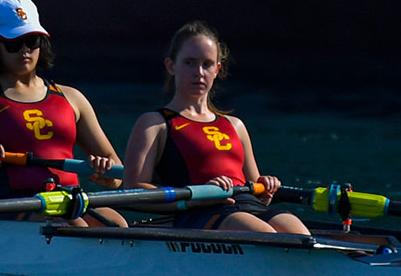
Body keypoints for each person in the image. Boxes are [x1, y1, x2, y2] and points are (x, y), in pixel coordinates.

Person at [0, 0, 127, 226]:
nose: (24, 50)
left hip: (70, 201)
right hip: (14, 207)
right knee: (74, 226)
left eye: (32, 41)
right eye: (13, 43)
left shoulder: (72, 98)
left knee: (117, 224)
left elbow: (115, 176)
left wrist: (104, 173)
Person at [119, 20, 310, 234]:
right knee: (267, 236)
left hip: (249, 207)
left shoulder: (235, 125)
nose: (199, 72)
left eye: (207, 64)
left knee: (300, 235)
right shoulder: (154, 123)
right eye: (190, 63)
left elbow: (255, 186)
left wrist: (267, 190)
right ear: (171, 66)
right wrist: (193, 198)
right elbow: (134, 189)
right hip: (201, 212)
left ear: (217, 69)